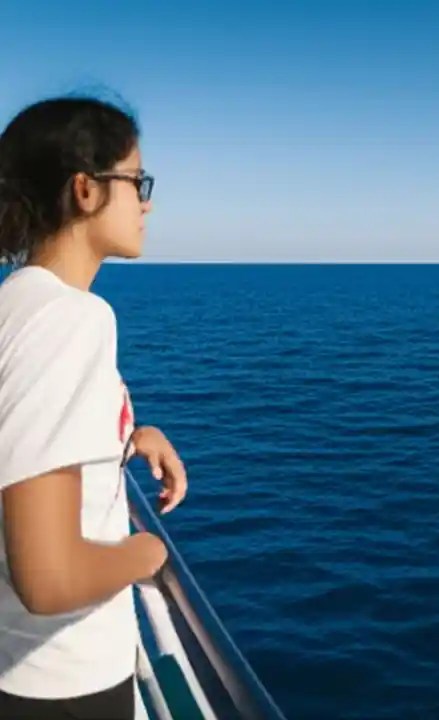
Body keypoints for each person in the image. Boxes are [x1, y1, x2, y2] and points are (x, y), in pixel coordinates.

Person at [0, 95, 188, 719]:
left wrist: (133, 435)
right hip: (64, 689)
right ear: (86, 189)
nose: (147, 202)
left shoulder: (20, 304)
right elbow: (49, 579)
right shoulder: (71, 320)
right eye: (137, 182)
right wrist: (148, 554)